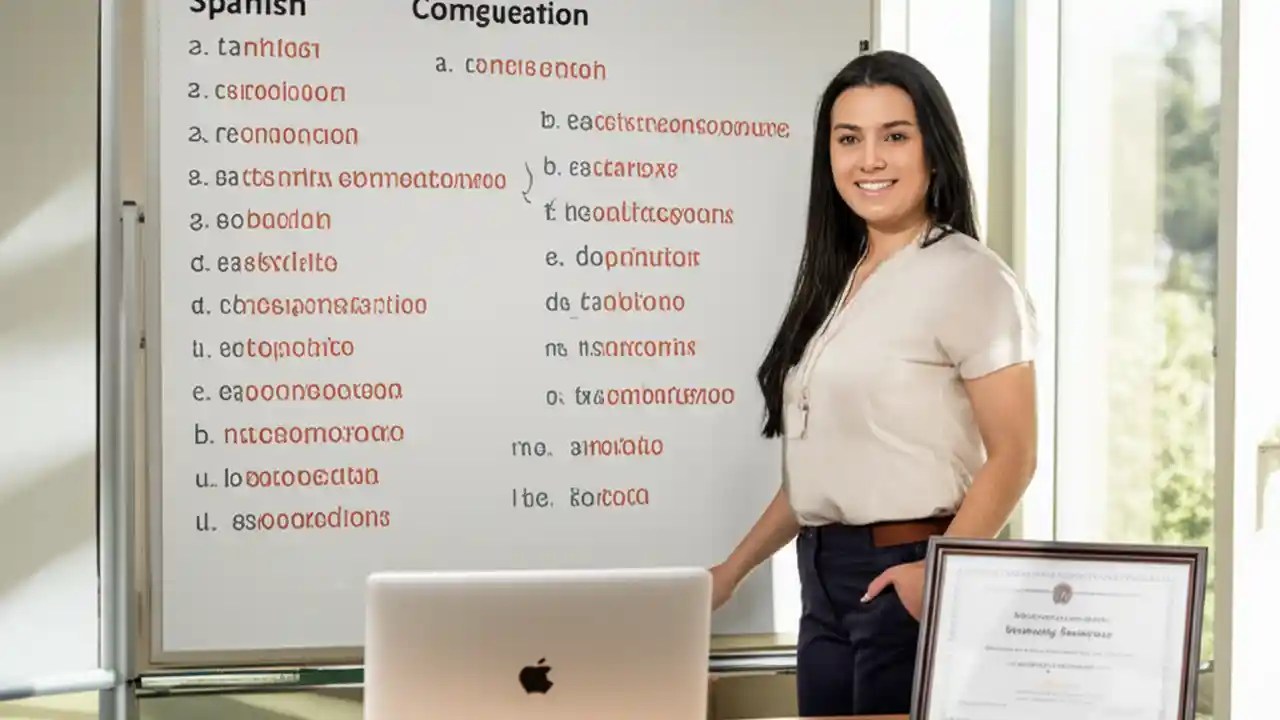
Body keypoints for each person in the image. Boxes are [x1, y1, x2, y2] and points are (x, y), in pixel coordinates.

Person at [709, 50, 1039, 717]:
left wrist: (936, 577)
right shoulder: (839, 286)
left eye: (895, 136)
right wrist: (732, 570)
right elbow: (821, 477)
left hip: (908, 569)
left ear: (934, 150)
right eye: (849, 139)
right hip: (824, 578)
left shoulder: (968, 276)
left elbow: (1015, 455)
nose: (870, 160)